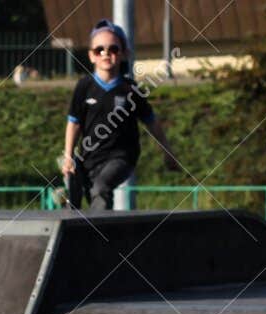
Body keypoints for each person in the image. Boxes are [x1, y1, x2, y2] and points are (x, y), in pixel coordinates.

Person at [61, 19, 178, 211]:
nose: (106, 54)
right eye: (99, 50)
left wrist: (167, 152)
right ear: (91, 56)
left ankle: (102, 235)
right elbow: (73, 123)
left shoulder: (130, 89)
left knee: (101, 188)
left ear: (123, 54)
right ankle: (76, 233)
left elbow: (151, 122)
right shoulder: (84, 87)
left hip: (120, 157)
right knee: (74, 189)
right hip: (90, 156)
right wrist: (68, 156)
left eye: (113, 49)